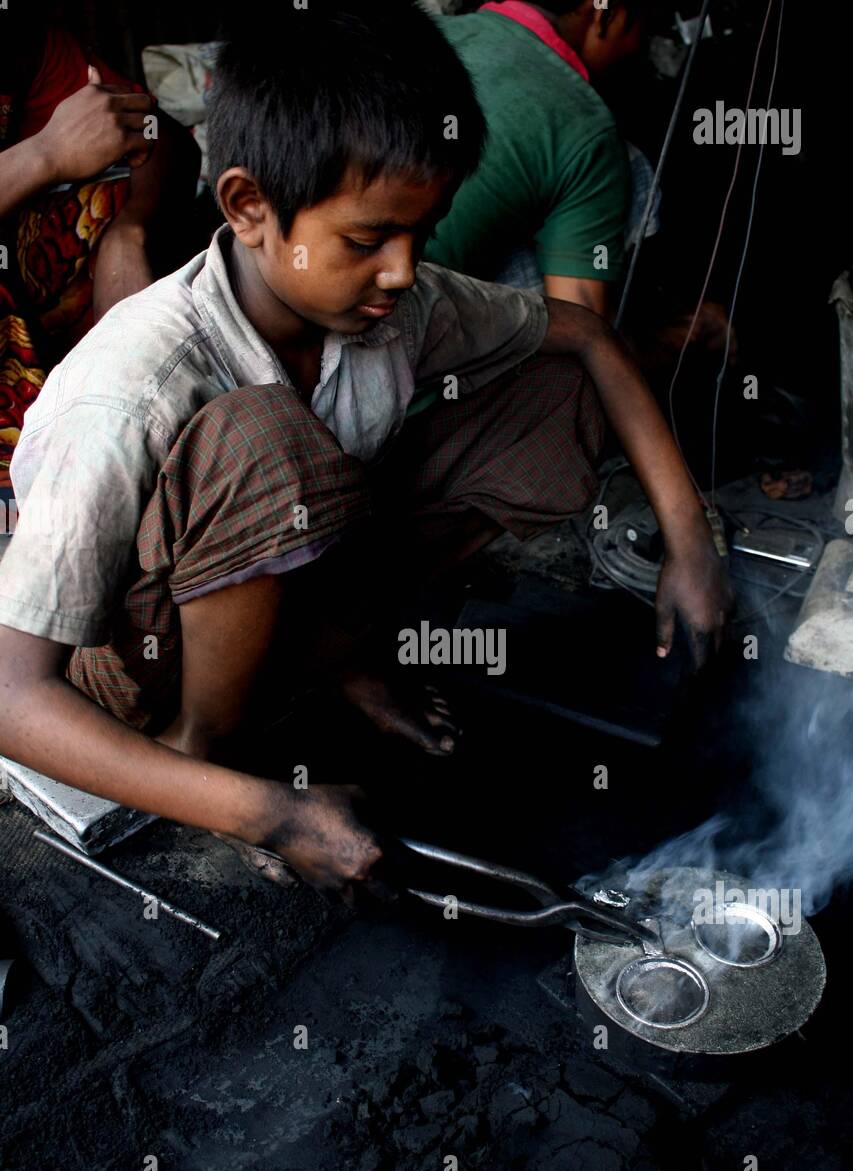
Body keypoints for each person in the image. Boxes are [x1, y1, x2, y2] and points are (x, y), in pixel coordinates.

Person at [0, 1, 729, 895]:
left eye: (420, 235)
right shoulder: (139, 380)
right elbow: (11, 696)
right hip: (134, 664)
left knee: (555, 391)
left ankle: (334, 656)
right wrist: (268, 812)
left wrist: (689, 541)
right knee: (263, 439)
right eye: (367, 239)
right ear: (248, 206)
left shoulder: (391, 305)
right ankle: (206, 759)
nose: (402, 270)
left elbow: (586, 337)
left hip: (293, 590)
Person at [0, 18, 200, 488]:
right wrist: (43, 157)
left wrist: (131, 231)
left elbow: (152, 134)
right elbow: (56, 150)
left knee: (105, 202)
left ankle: (122, 429)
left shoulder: (17, 39)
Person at [424, 0, 652, 322]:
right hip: (396, 328)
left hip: (346, 290)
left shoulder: (426, 31)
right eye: (643, 29)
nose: (639, 48)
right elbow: (582, 323)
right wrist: (671, 345)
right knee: (635, 169)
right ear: (605, 14)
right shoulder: (588, 127)